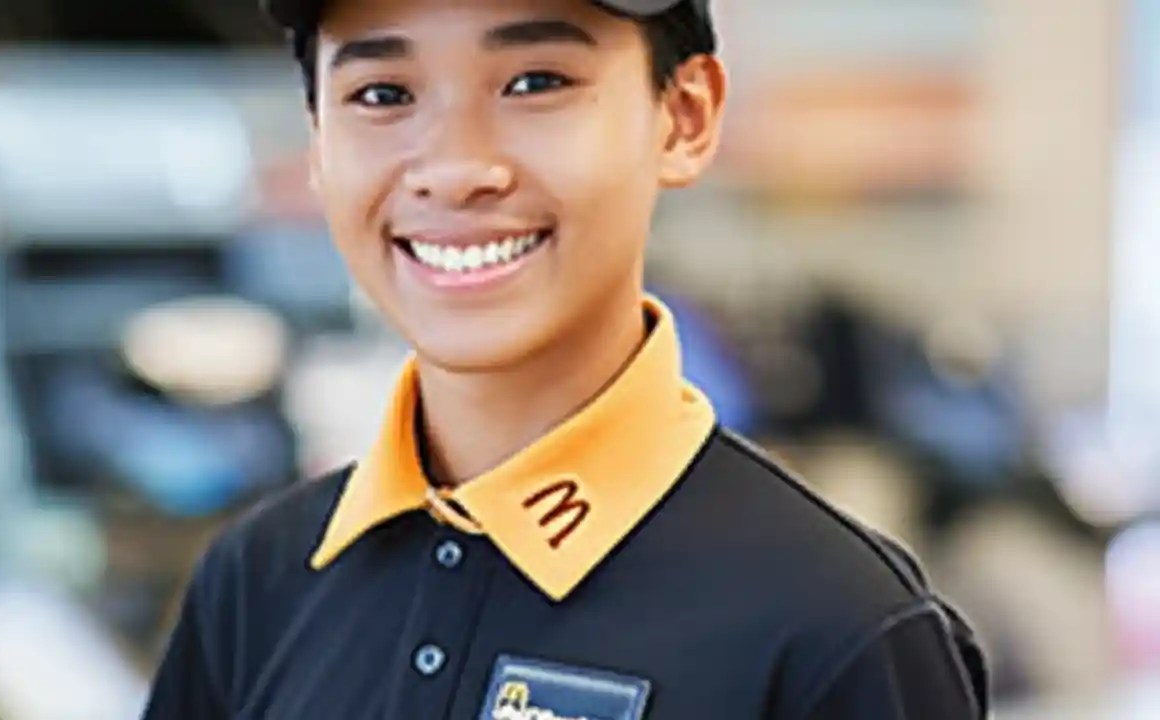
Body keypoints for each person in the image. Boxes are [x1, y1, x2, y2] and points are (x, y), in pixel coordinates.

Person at [143, 1, 989, 717]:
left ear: (685, 115)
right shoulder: (255, 585)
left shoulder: (833, 627)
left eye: (535, 83)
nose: (455, 169)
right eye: (383, 93)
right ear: (319, 145)